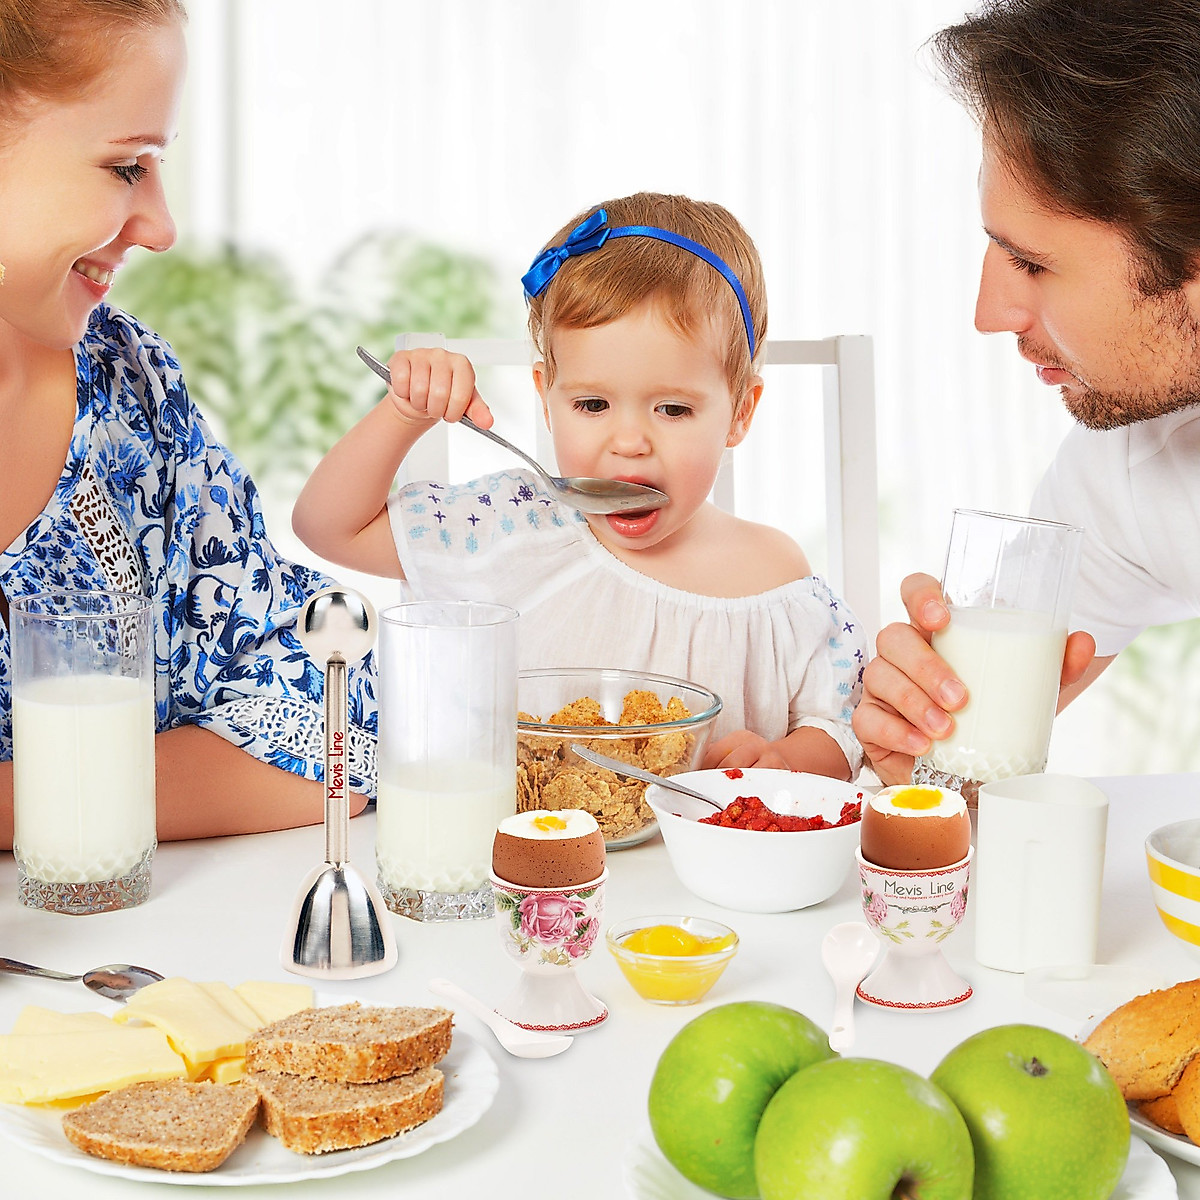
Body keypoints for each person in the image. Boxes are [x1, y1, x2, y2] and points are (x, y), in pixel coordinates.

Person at [294, 192, 865, 779]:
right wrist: (404, 414)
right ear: (547, 398)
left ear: (741, 412)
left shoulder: (774, 579)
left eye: (672, 409)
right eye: (592, 403)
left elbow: (839, 728)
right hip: (513, 859)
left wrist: (786, 762)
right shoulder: (511, 527)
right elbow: (328, 527)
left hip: (695, 868)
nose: (629, 442)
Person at [0, 0, 376, 845]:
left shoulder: (131, 390)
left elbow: (331, 725)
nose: (162, 228)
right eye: (127, 165)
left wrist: (18, 804)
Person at [852, 0, 1200, 785]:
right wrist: (920, 741)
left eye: (1032, 263)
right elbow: (959, 763)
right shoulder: (1129, 473)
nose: (989, 316)